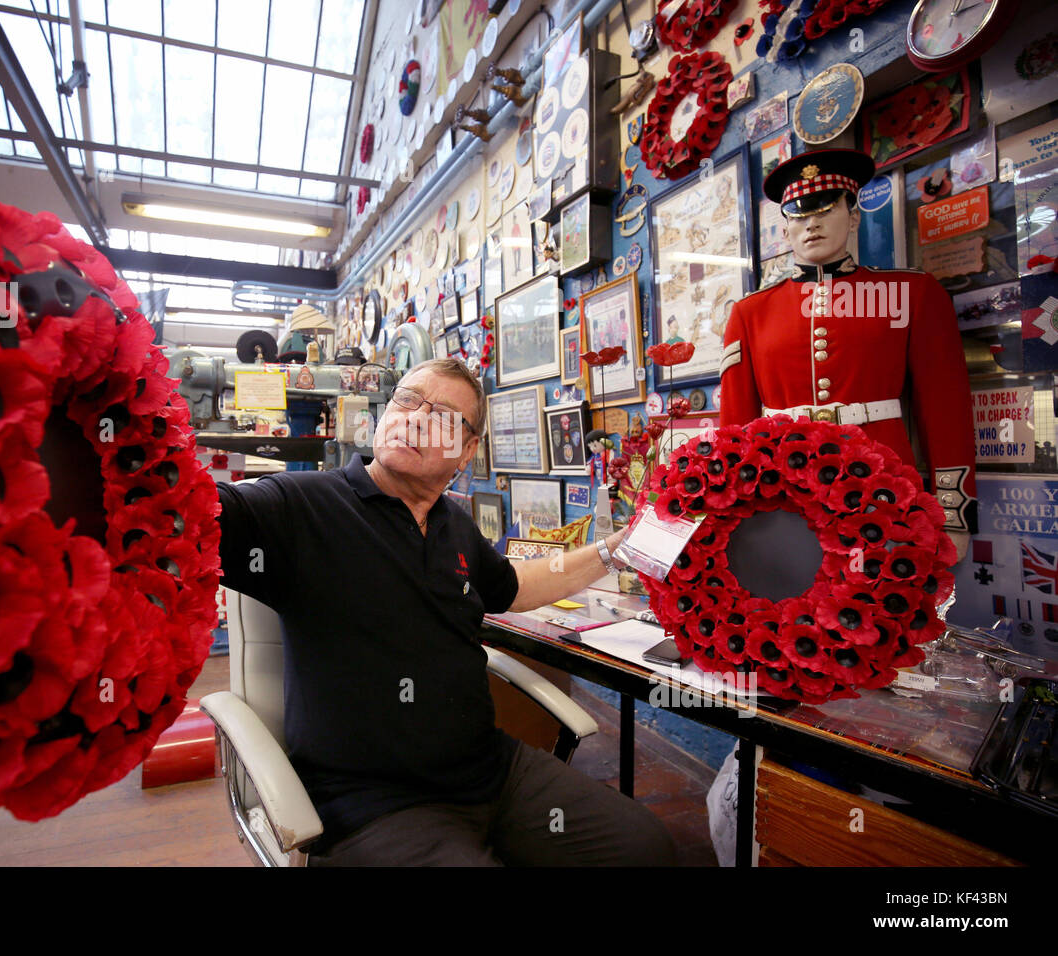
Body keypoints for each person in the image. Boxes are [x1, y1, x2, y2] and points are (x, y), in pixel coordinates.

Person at [216, 357, 676, 866]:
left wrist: (617, 550)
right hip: (374, 803)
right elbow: (197, 516)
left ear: (467, 450)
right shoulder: (300, 505)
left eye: (441, 416)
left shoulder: (452, 523)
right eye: (407, 400)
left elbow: (511, 586)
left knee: (646, 848)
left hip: (490, 773)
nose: (414, 417)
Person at [719, 148, 975, 561]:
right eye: (798, 216)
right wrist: (733, 512)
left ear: (854, 216)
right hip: (784, 497)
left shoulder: (912, 294)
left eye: (825, 209)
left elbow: (946, 410)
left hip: (885, 492)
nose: (812, 224)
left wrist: (953, 512)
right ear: (785, 230)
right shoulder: (750, 312)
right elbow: (736, 428)